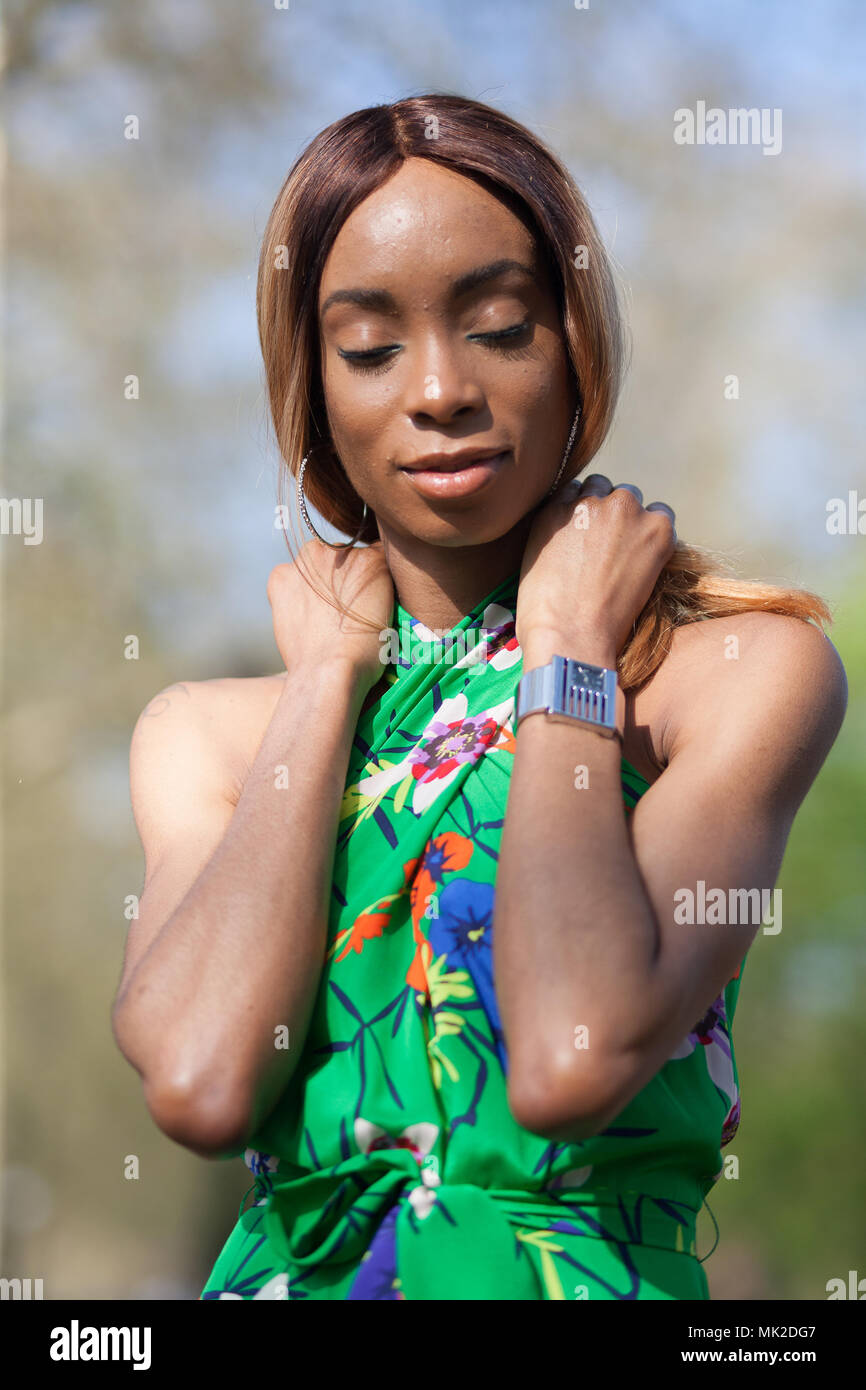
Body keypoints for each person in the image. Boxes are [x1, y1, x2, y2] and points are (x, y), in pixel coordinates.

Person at [111, 95, 847, 1301]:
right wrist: (323, 683)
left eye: (499, 327)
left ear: (576, 348)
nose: (440, 387)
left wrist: (564, 654)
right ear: (312, 393)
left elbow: (570, 1054)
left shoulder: (726, 676)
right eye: (367, 347)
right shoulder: (211, 737)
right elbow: (200, 1079)